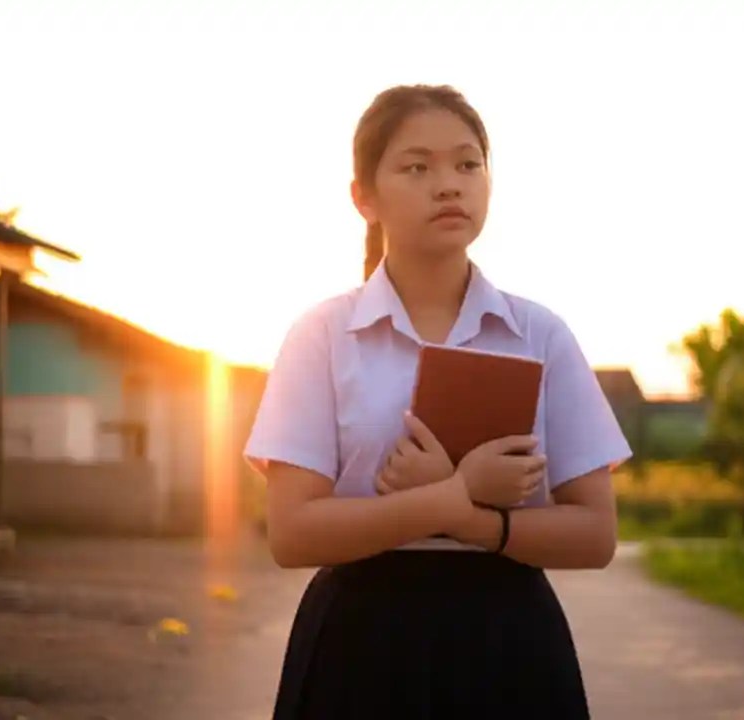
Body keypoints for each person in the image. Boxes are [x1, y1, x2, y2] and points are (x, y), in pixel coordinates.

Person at [244, 83, 632, 720]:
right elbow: (292, 533)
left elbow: (595, 535)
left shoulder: (540, 334)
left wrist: (470, 520)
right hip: (359, 645)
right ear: (363, 198)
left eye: (467, 164)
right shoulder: (321, 335)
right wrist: (456, 494)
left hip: (510, 644)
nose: (449, 184)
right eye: (417, 167)